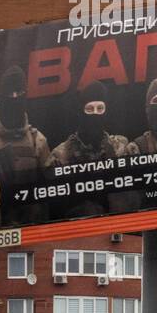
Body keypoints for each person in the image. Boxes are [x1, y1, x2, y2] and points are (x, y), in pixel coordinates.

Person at [0, 66, 51, 229]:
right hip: (0, 231)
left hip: (33, 230)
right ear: (2, 97)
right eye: (10, 93)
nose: (15, 98)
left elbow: (52, 190)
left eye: (19, 93)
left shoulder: (37, 140)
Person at [48, 81, 130, 218]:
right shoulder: (61, 154)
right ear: (81, 111)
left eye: (100, 108)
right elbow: (54, 206)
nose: (95, 114)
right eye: (90, 109)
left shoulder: (120, 147)